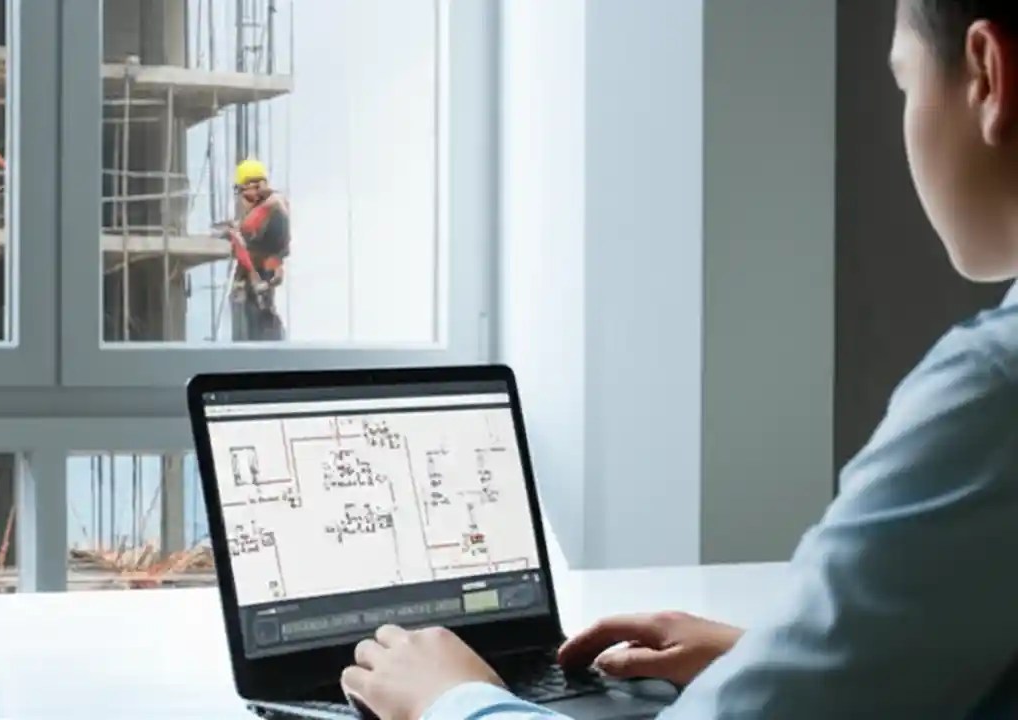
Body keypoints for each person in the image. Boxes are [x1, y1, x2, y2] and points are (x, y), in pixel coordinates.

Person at [341, 1, 1018, 718]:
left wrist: (450, 702)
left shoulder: (993, 395)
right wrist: (775, 664)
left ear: (986, 75)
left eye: (905, 82)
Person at [226, 157, 290, 341]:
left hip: (258, 278)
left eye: (242, 193)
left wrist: (235, 231)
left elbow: (245, 234)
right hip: (266, 271)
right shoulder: (277, 205)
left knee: (254, 321)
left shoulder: (269, 206)